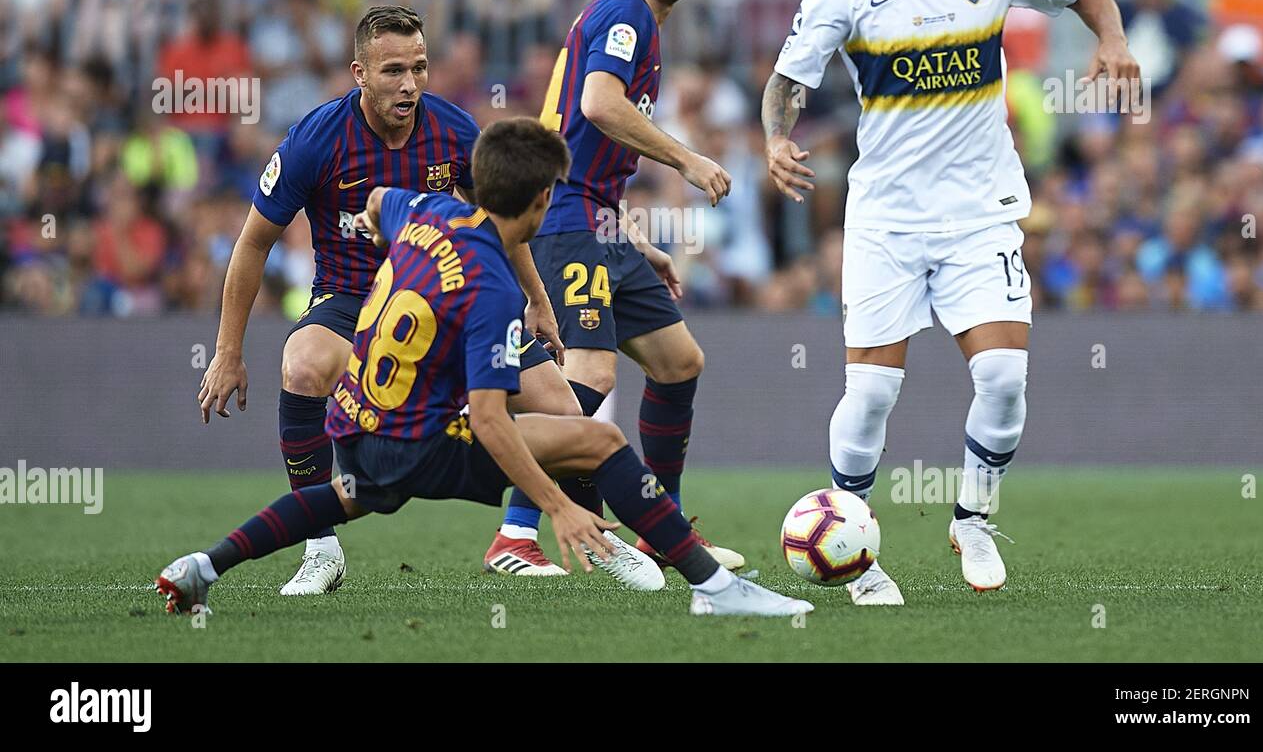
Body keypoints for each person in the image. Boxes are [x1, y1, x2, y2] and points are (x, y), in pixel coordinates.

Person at [159, 119, 813, 619]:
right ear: (535, 205)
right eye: (551, 196)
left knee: (351, 494)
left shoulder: (424, 210)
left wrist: (390, 248)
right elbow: (492, 422)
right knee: (601, 438)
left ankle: (201, 568)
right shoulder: (489, 290)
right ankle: (713, 587)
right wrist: (558, 508)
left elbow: (380, 200)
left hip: (355, 425)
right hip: (416, 441)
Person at [761, 0, 1140, 604]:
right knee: (869, 395)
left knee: (1002, 377)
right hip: (886, 222)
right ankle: (857, 547)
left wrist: (1114, 40)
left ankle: (972, 517)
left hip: (979, 213)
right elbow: (785, 82)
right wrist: (775, 137)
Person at [196, 6, 582, 595]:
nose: (409, 84)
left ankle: (516, 541)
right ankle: (320, 547)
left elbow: (506, 218)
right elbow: (253, 244)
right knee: (301, 366)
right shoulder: (314, 140)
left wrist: (538, 301)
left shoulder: (455, 131)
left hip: (446, 300)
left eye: (420, 68)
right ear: (359, 73)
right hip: (352, 300)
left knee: (563, 407)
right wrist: (228, 350)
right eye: (393, 70)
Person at [482, 0, 745, 574]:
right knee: (590, 369)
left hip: (597, 216)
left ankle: (661, 527)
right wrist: (686, 159)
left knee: (677, 360)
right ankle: (514, 533)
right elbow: (599, 105)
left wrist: (634, 237)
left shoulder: (644, 31)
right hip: (565, 217)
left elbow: (585, 140)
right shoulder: (624, 14)